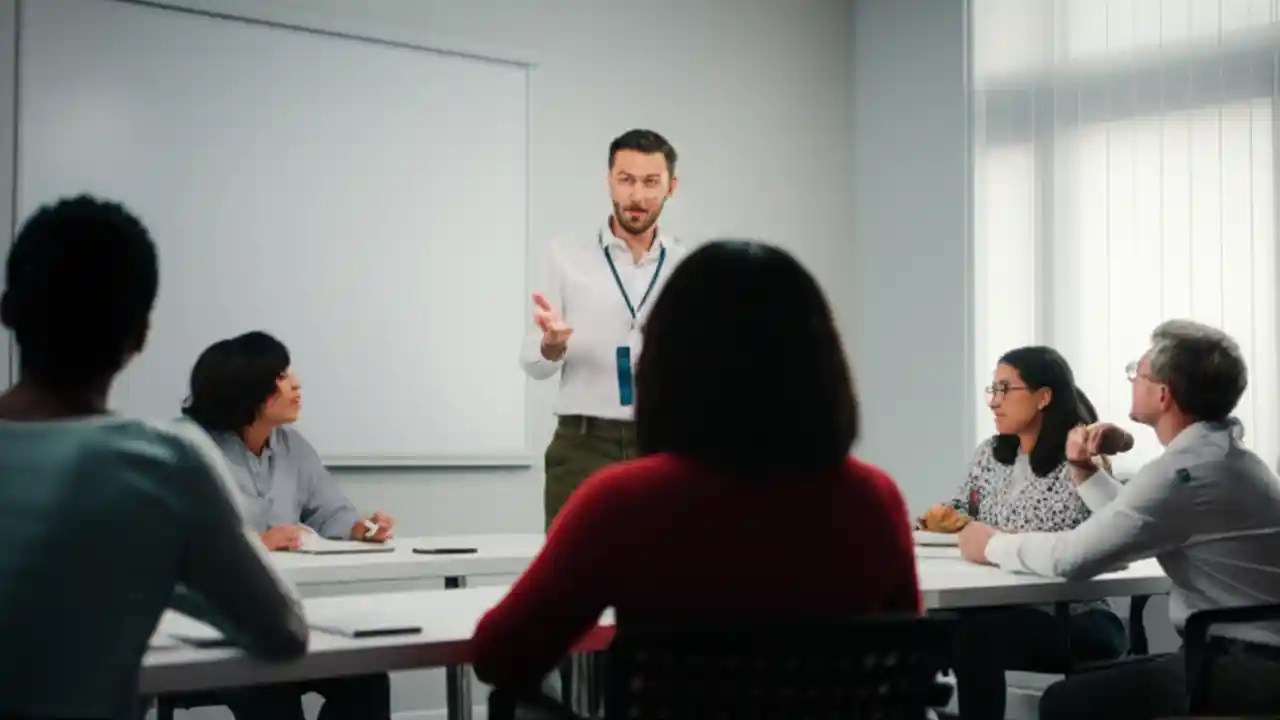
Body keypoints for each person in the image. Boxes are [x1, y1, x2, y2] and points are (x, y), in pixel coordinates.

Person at [473, 240, 919, 691]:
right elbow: (909, 665)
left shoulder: (624, 504)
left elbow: (500, 656)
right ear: (821, 359)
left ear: (667, 359)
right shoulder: (874, 500)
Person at [0, 196, 307, 720]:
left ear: (7, 311)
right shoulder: (166, 462)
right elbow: (282, 634)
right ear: (140, 335)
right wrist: (163, 571)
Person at [959, 320, 1280, 718]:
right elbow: (1134, 516)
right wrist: (1084, 470)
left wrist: (991, 544)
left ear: (1162, 394)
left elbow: (1070, 559)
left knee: (1065, 703)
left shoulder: (1181, 474)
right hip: (1251, 657)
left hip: (1240, 667)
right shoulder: (1226, 459)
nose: (1131, 380)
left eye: (1137, 373)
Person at [182, 330, 392, 720]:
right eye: (279, 376)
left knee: (368, 679)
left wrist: (362, 528)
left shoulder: (292, 446)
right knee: (271, 692)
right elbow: (177, 548)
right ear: (245, 389)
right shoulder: (192, 449)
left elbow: (330, 512)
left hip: (281, 619)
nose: (295, 383)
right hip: (215, 631)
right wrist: (256, 541)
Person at [921, 347, 1127, 718]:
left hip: (1072, 615)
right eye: (992, 390)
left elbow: (1056, 539)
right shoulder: (989, 454)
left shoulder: (1079, 460)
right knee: (917, 625)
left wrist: (992, 537)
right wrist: (931, 521)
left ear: (1044, 396)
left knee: (972, 638)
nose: (994, 402)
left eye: (1005, 390)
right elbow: (964, 509)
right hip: (989, 604)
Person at [521, 128, 687, 529]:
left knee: (664, 578)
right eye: (626, 179)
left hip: (661, 446)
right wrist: (552, 345)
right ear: (608, 179)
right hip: (583, 445)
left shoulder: (686, 263)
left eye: (651, 182)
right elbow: (533, 363)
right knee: (573, 582)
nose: (637, 196)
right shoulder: (566, 254)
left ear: (671, 187)